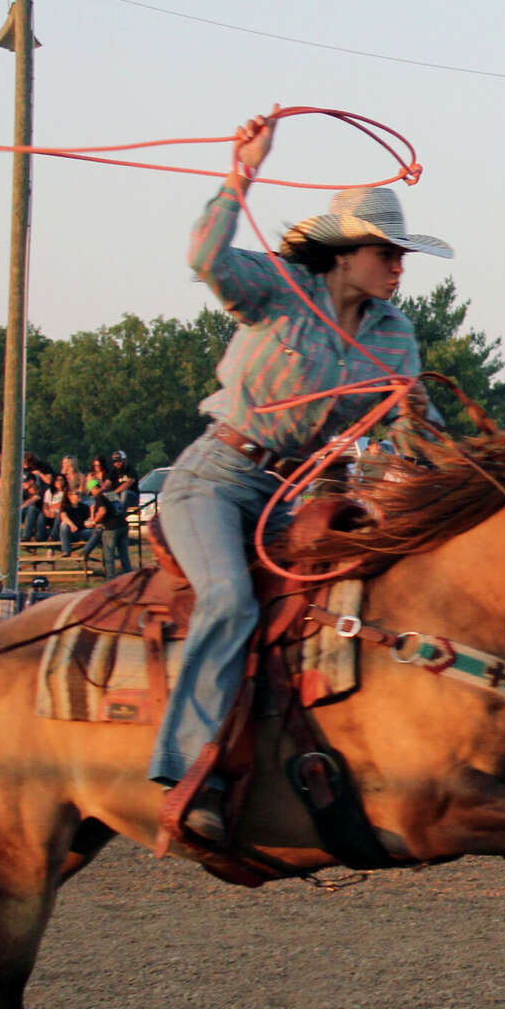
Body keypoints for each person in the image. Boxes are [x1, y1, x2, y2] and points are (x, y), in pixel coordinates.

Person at [147, 106, 454, 843]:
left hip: (288, 497)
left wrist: (468, 475)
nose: (399, 265)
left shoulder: (394, 334)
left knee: (348, 601)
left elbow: (416, 426)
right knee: (227, 598)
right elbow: (203, 260)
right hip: (215, 479)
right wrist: (243, 170)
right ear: (344, 252)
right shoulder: (279, 288)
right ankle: (187, 768)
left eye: (402, 253)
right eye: (387, 251)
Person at [83, 483, 132, 579]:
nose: (92, 495)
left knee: (109, 554)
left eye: (91, 492)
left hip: (111, 527)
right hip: (123, 524)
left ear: (94, 488)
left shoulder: (99, 497)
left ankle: (110, 578)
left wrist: (94, 521)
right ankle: (129, 575)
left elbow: (102, 511)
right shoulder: (111, 494)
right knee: (124, 554)